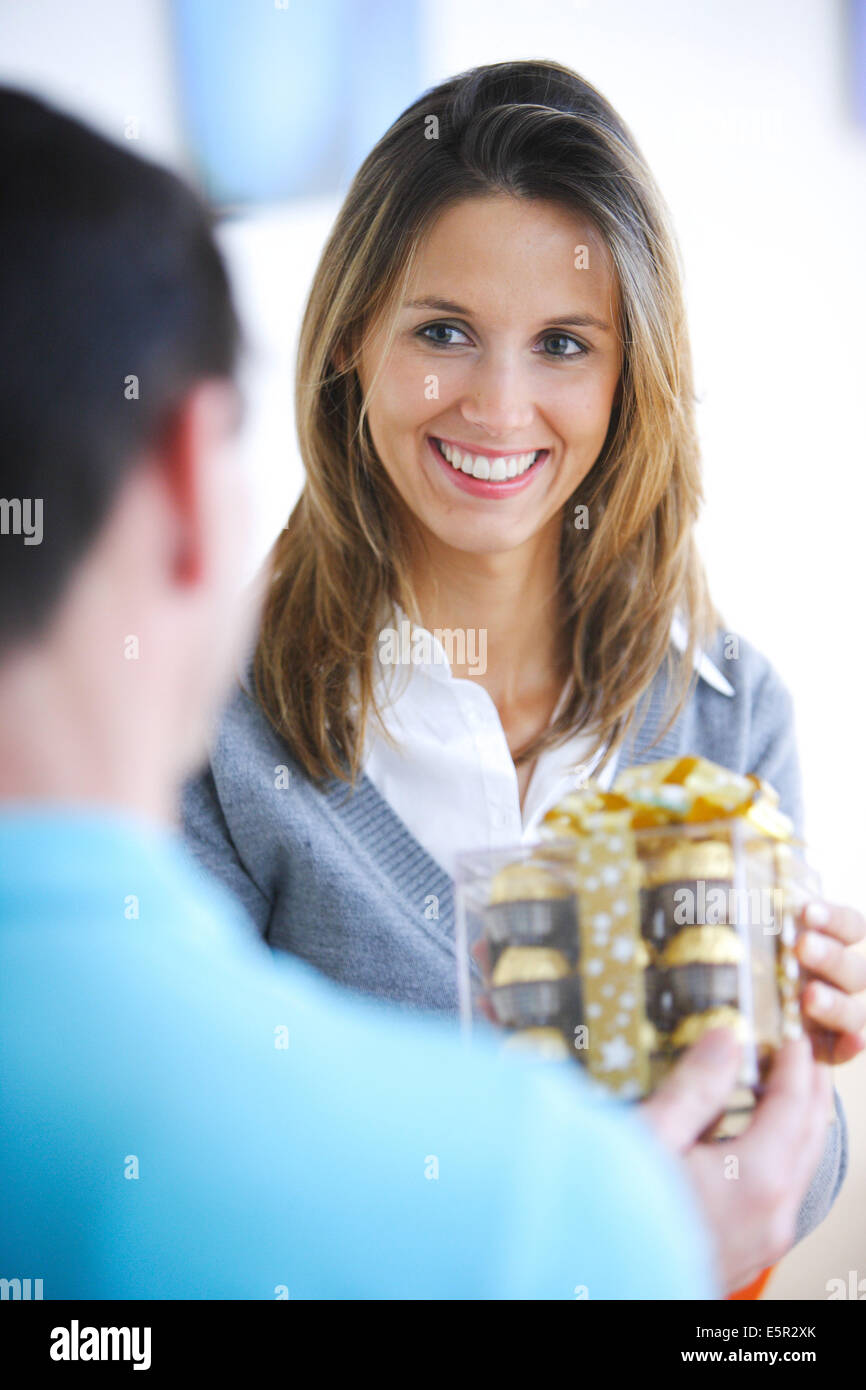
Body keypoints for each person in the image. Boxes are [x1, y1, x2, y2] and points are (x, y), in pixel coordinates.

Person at [2, 84, 827, 1303]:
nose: (496, 406)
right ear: (352, 336)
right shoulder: (211, 726)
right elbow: (197, 1196)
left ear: (626, 374)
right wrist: (604, 1241)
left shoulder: (727, 707)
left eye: (562, 343)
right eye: (441, 330)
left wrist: (796, 1064)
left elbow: (776, 1196)